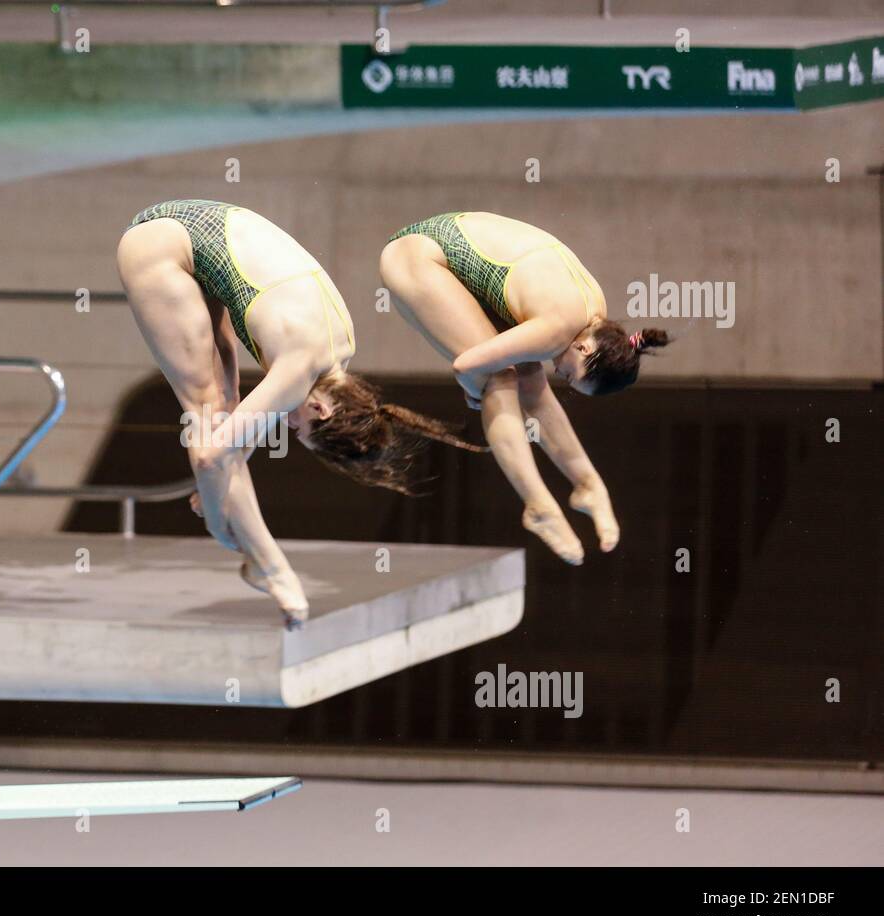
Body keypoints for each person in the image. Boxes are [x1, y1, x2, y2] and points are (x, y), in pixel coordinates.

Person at [118, 199, 483, 625]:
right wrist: (217, 523)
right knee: (209, 414)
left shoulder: (341, 349)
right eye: (299, 426)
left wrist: (216, 481)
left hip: (195, 228)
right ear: (322, 408)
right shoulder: (299, 371)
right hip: (156, 248)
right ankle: (274, 568)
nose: (288, 422)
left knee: (227, 409)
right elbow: (208, 455)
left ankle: (260, 559)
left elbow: (236, 438)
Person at [380, 211, 670, 564]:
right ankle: (538, 504)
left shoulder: (595, 315)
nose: (561, 374)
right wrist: (476, 393)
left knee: (527, 376)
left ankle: (589, 484)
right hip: (414, 257)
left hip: (443, 246)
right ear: (584, 349)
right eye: (569, 376)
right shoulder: (559, 330)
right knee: (499, 378)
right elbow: (466, 364)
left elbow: (531, 387)